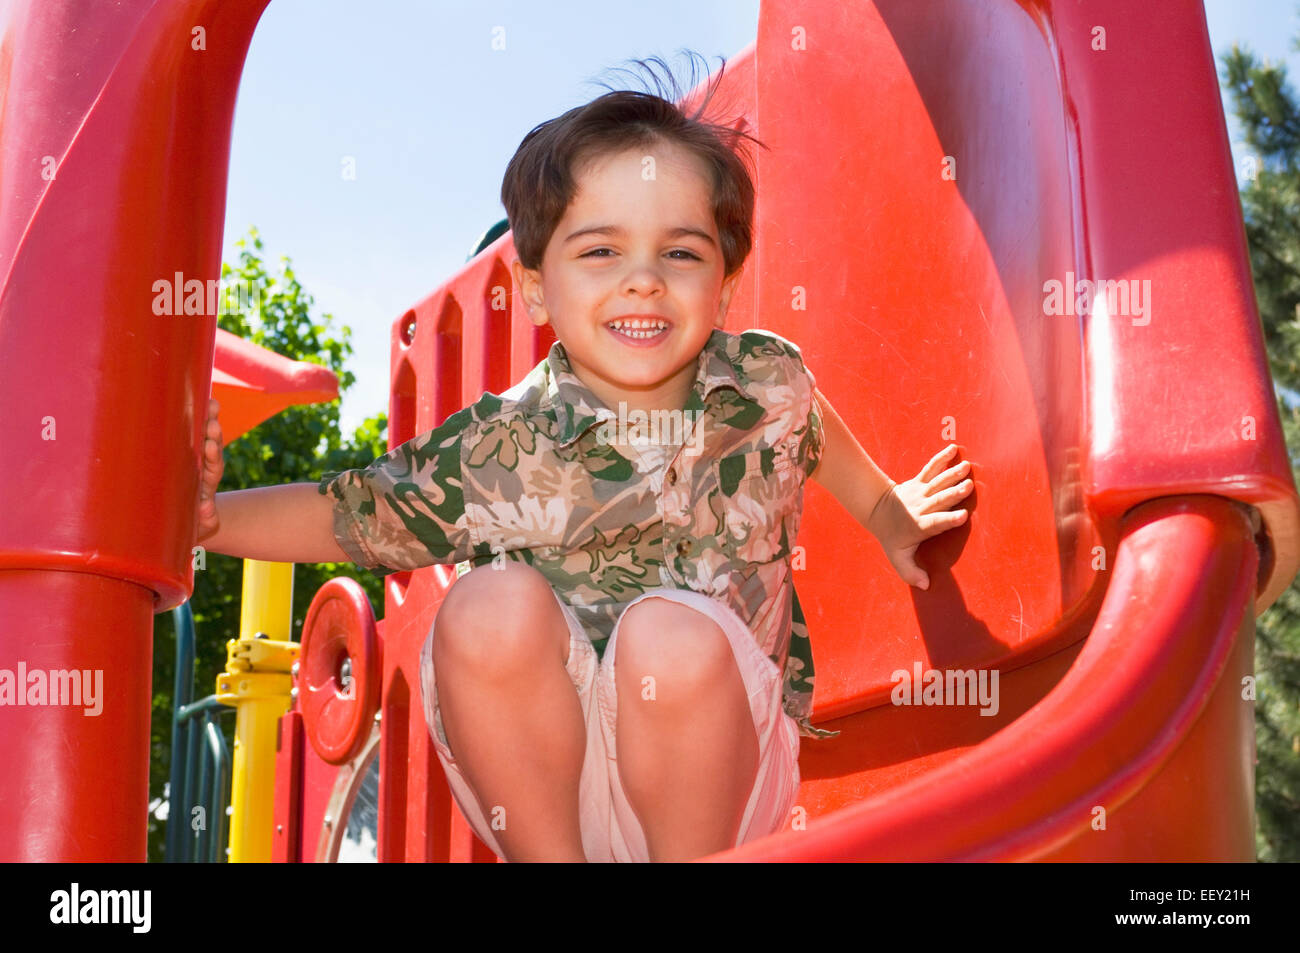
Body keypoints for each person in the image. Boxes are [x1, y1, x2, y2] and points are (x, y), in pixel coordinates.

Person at [196, 53, 973, 863]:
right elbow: (347, 512)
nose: (643, 281)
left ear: (725, 283)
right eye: (601, 252)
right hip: (553, 791)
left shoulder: (762, 381)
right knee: (483, 608)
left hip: (721, 778)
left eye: (681, 253)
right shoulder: (505, 444)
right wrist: (206, 522)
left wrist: (887, 511)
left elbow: (809, 423)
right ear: (537, 287)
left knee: (667, 636)